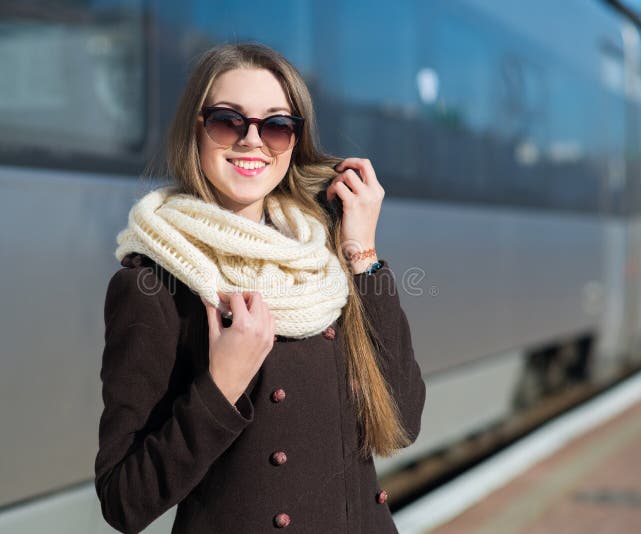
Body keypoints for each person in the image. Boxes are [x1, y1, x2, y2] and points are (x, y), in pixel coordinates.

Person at [94, 42, 426, 534]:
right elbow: (124, 500)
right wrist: (222, 386)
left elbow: (403, 419)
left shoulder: (326, 262)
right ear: (196, 130)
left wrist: (363, 254)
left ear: (294, 140)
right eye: (229, 121)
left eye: (276, 125)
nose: (253, 141)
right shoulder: (153, 283)